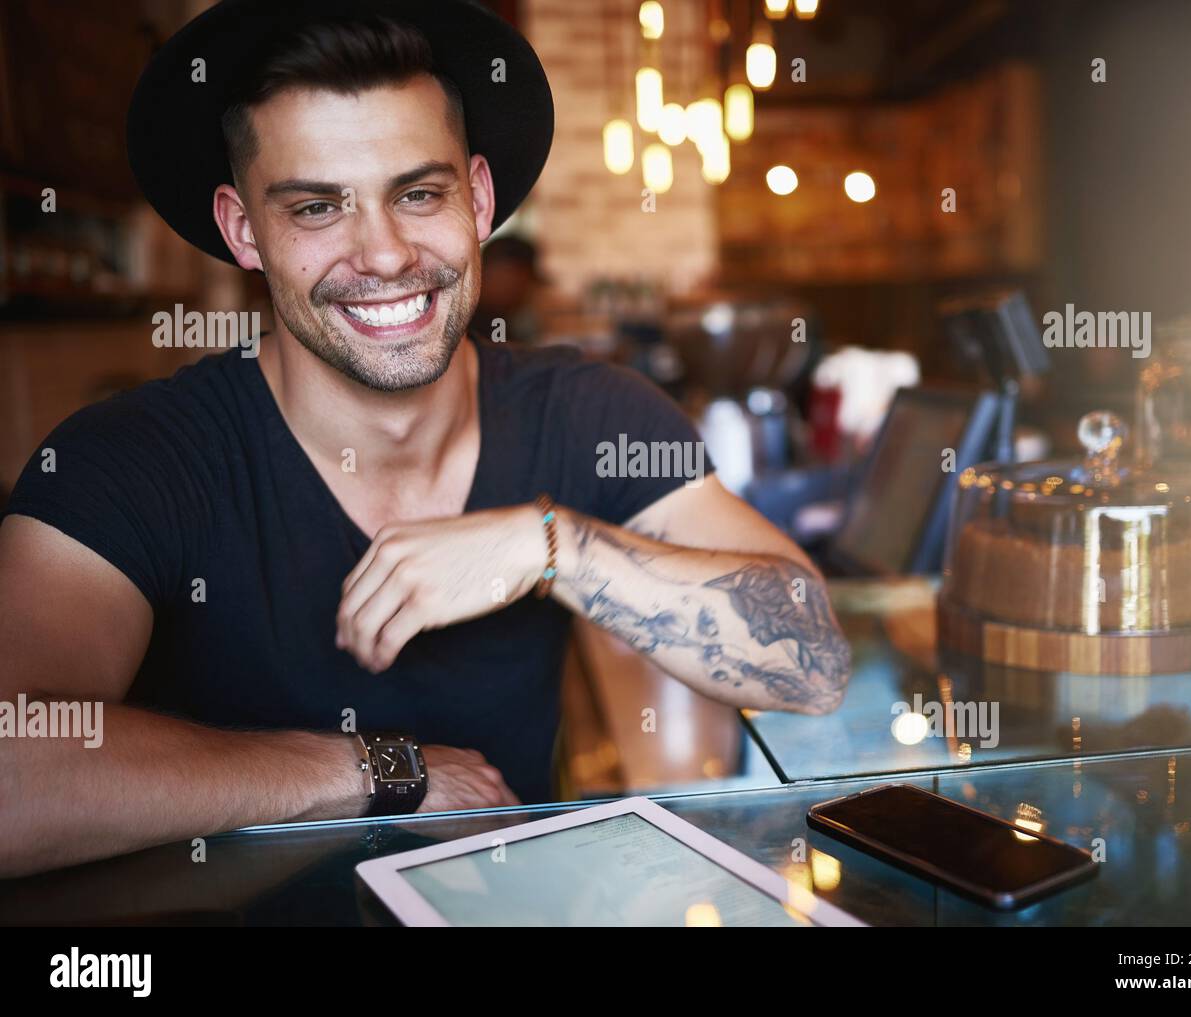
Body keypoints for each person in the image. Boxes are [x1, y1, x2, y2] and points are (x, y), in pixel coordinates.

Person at [0, 0, 849, 878]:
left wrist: (550, 546)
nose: (385, 254)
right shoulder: (136, 459)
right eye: (317, 208)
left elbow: (815, 659)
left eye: (418, 194)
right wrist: (377, 771)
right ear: (244, 231)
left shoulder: (586, 413)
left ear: (477, 200)